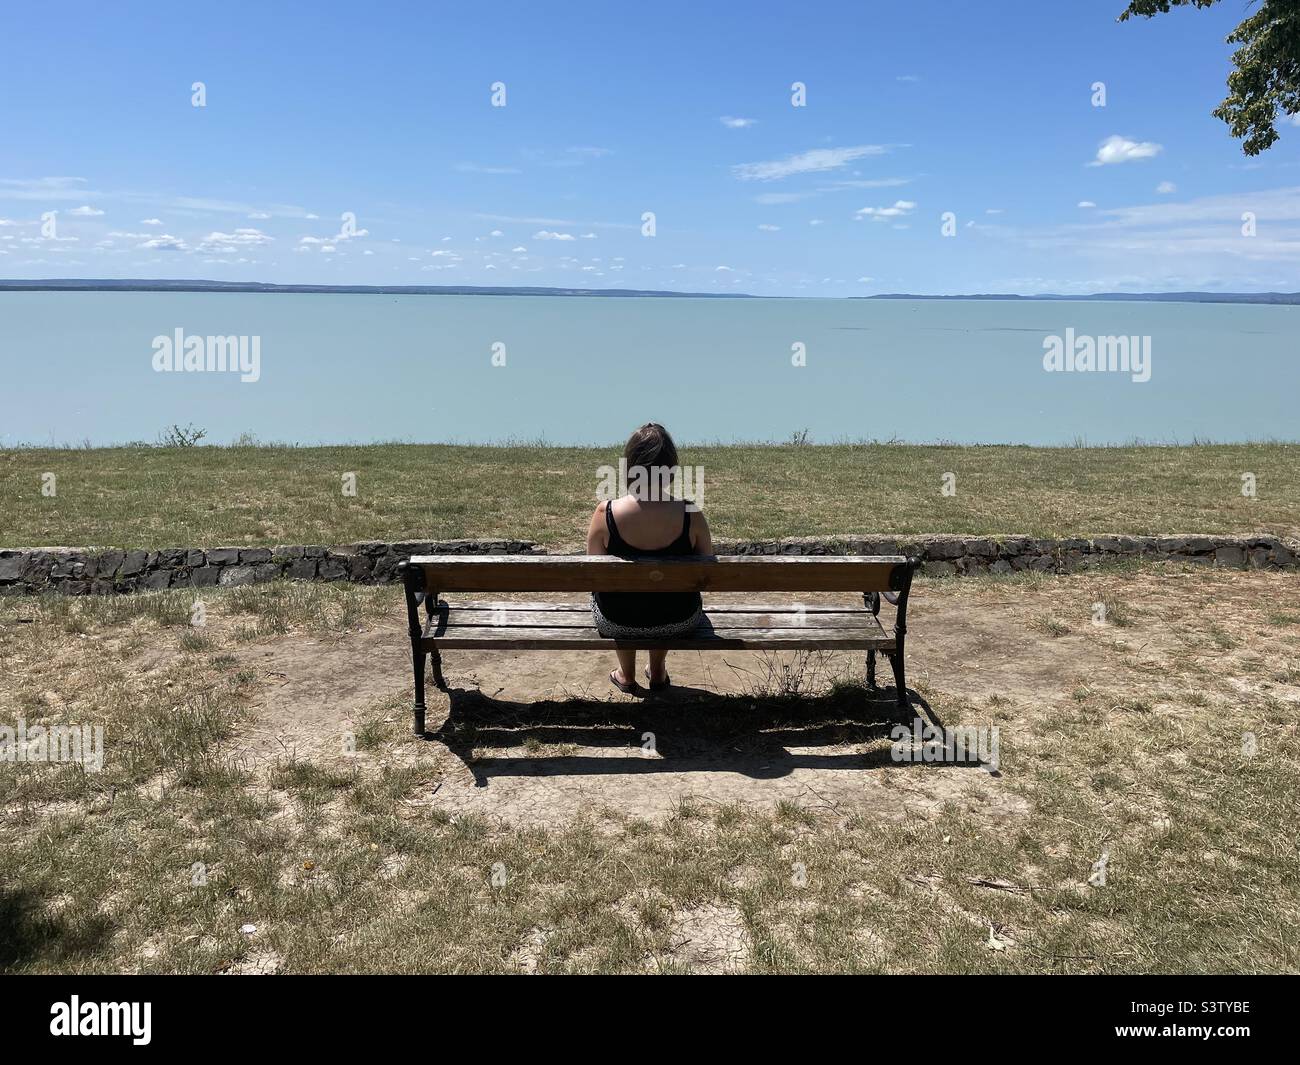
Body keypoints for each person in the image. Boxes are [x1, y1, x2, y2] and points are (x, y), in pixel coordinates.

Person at [585, 422, 712, 693]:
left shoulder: (604, 512)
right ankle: (657, 670)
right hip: (678, 619)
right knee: (666, 594)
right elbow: (706, 570)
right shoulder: (691, 513)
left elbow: (593, 574)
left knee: (615, 594)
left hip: (617, 620)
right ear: (671, 469)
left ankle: (626, 674)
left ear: (630, 466)